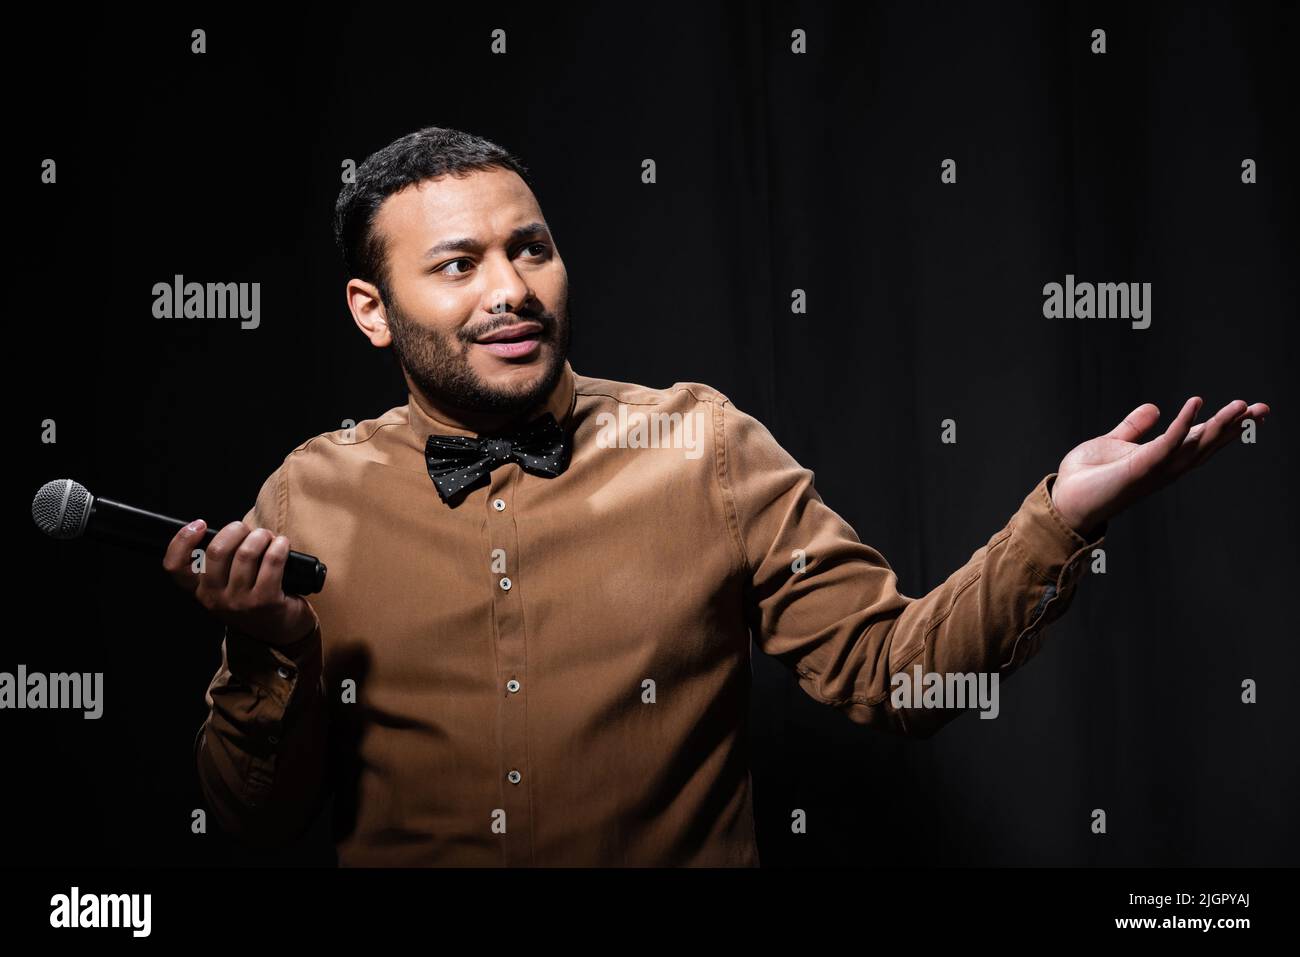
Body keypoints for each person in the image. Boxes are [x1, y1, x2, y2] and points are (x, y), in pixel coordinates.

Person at [166, 126, 1269, 866]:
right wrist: (271, 656)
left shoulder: (701, 443)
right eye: (457, 265)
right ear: (372, 309)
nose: (511, 290)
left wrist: (1062, 516)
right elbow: (251, 827)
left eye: (531, 248)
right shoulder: (310, 493)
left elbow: (901, 681)